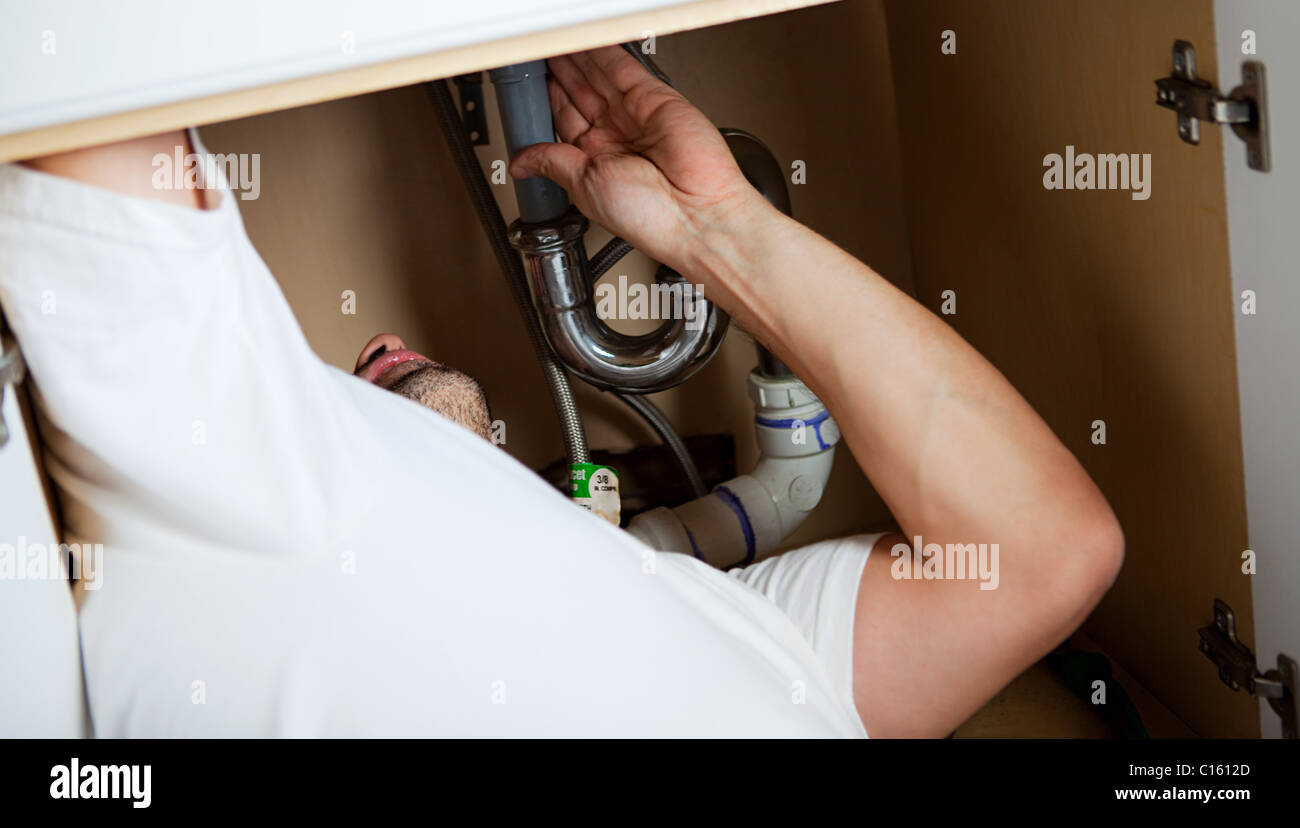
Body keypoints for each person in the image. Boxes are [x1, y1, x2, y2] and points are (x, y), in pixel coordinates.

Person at [0, 45, 1122, 737]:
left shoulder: (286, 525)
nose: (378, 344)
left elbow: (83, 51)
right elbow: (1042, 553)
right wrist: (718, 233)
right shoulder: (770, 679)